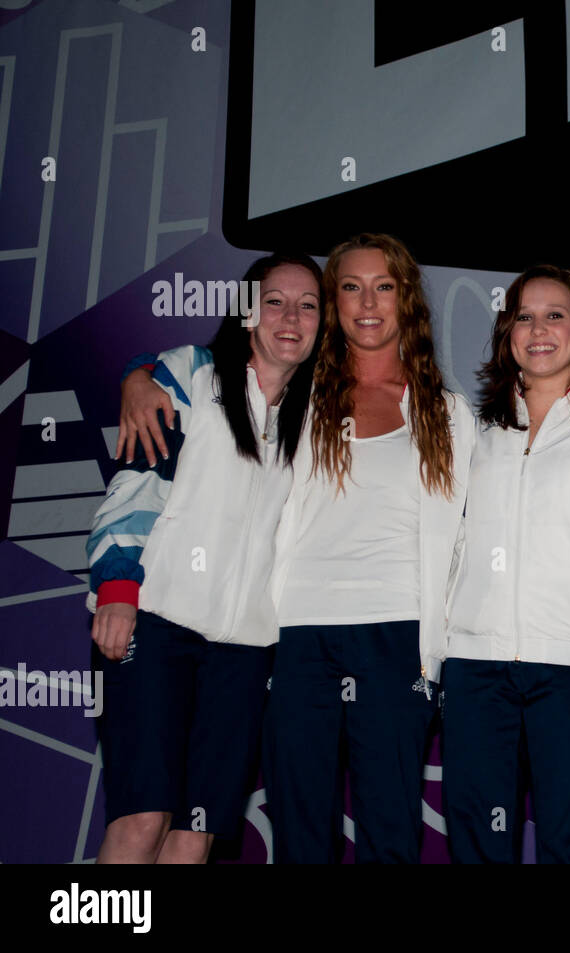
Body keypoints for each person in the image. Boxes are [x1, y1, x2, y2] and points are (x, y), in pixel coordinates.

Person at [87, 252, 323, 863]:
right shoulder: (189, 375)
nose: (291, 317)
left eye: (307, 305)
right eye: (275, 301)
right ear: (247, 312)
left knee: (194, 837)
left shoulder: (321, 418)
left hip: (244, 653)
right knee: (142, 819)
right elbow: (137, 487)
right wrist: (117, 590)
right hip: (155, 625)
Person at [263, 232, 475, 863]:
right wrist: (144, 375)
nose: (367, 302)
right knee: (300, 831)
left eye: (384, 286)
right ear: (332, 302)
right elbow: (207, 375)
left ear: (406, 299)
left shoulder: (447, 412)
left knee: (389, 829)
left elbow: (467, 538)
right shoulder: (292, 397)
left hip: (397, 637)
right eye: (350, 287)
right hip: (298, 634)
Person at [440, 264, 570, 864]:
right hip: (475, 668)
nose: (539, 329)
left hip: (569, 666)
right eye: (524, 315)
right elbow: (445, 531)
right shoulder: (474, 432)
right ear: (506, 331)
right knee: (477, 846)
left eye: (555, 315)